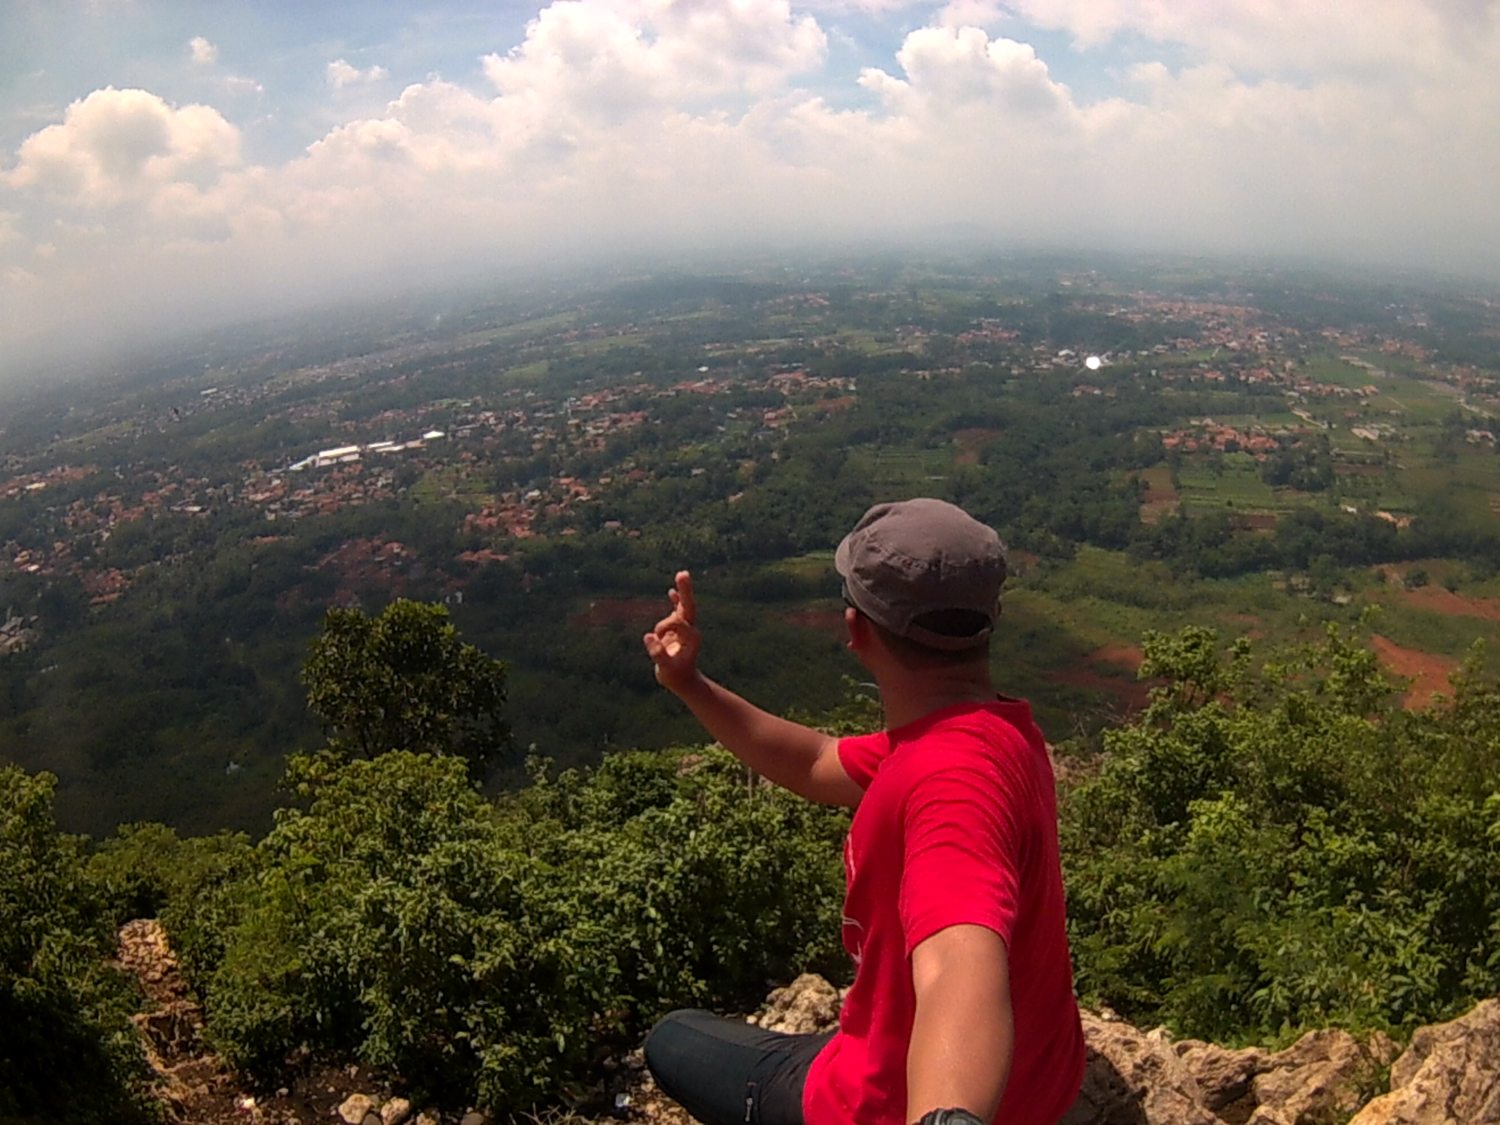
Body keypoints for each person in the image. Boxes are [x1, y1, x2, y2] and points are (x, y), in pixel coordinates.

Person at [640, 498, 1085, 1125]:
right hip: (1041, 1086)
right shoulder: (989, 733)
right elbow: (817, 760)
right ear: (991, 620)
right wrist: (691, 683)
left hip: (879, 1104)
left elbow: (959, 959)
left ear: (856, 630)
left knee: (675, 1037)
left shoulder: (947, 782)